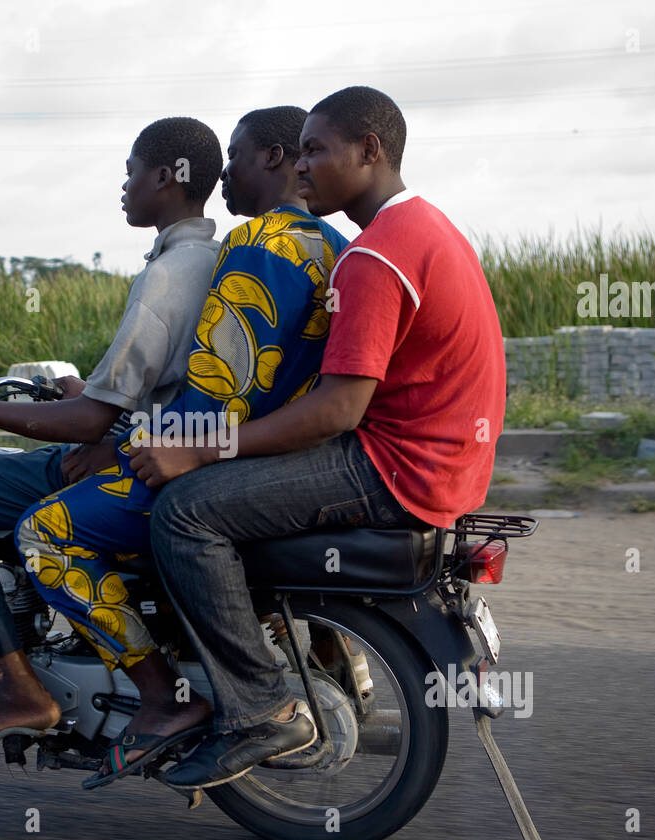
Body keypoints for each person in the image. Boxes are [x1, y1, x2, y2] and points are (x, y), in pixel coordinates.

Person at [135, 86, 508, 789]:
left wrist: (197, 446)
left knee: (185, 512)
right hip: (446, 462)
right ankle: (325, 655)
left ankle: (258, 710)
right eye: (298, 150)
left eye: (316, 150)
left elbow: (337, 411)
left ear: (370, 151)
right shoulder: (428, 226)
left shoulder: (375, 258)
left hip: (394, 467)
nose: (302, 167)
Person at [14, 106, 348, 786]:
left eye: (237, 156)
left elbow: (222, 389)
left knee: (42, 535)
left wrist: (141, 443)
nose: (223, 173)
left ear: (278, 160)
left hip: (214, 463)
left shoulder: (260, 245)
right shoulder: (333, 246)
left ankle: (163, 699)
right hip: (281, 460)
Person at [0, 117, 224, 761]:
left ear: (168, 177)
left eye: (131, 170)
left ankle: (15, 686)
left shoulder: (170, 273)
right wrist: (90, 399)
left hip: (136, 458)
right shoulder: (215, 258)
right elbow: (152, 388)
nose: (123, 185)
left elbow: (90, 422)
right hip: (164, 442)